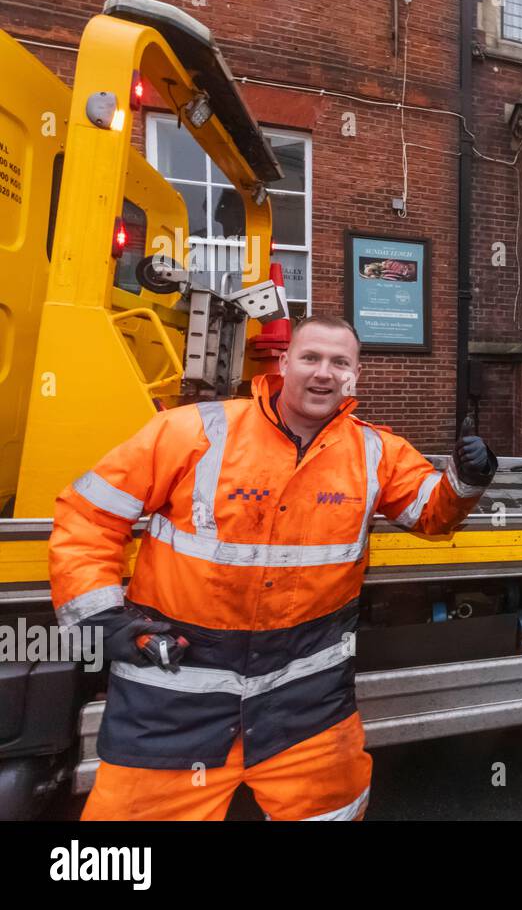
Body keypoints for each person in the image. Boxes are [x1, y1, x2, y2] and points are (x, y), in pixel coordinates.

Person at [48, 315, 496, 820]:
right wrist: (99, 618)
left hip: (306, 702)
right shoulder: (192, 430)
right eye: (310, 358)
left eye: (339, 363)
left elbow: (430, 514)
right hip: (175, 695)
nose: (323, 373)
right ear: (284, 363)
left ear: (355, 376)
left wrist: (466, 479)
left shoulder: (375, 452)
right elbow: (91, 513)